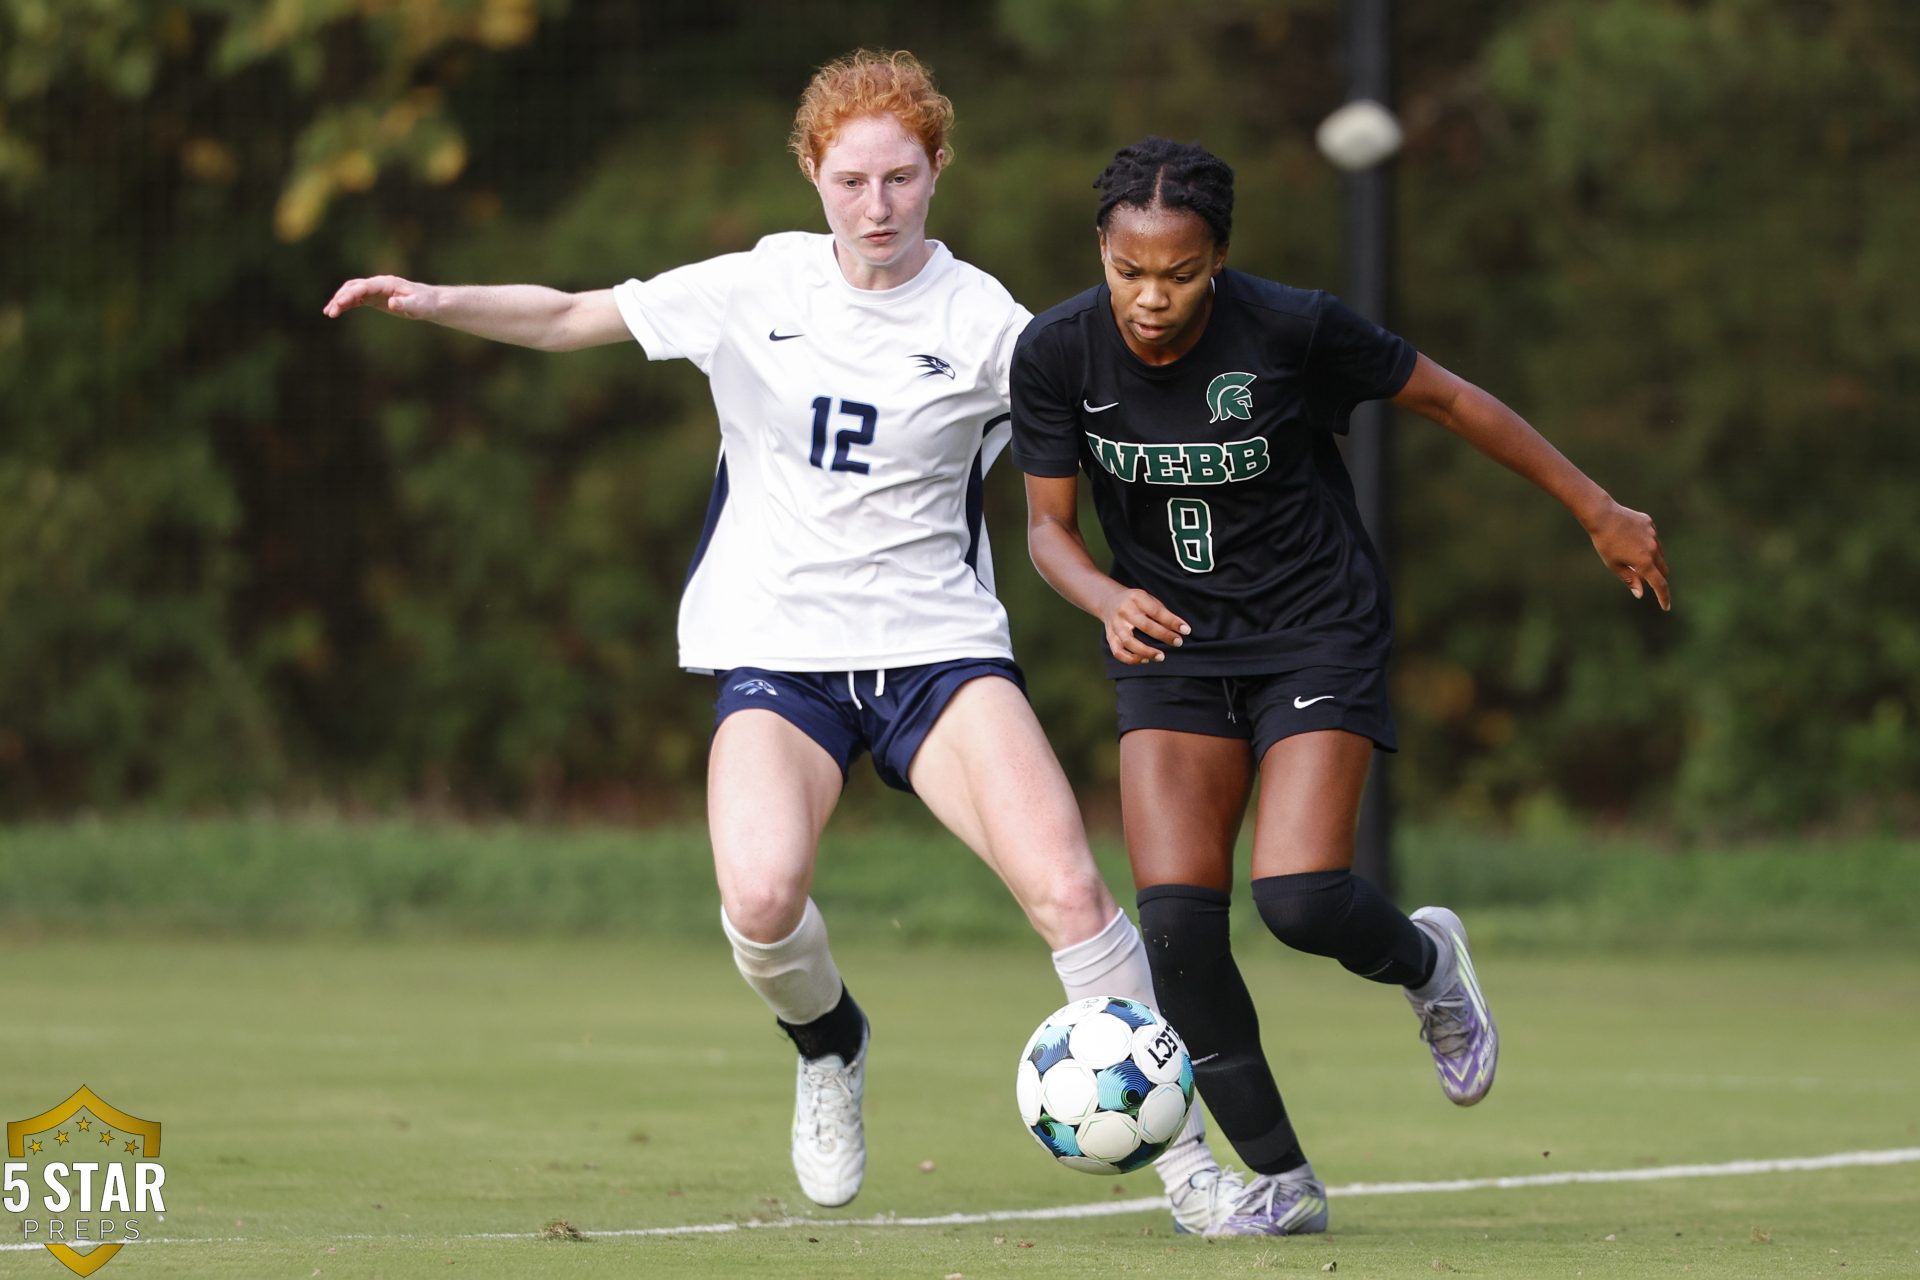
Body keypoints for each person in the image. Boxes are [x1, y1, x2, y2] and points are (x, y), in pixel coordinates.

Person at [323, 57, 1249, 1230]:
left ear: (936, 173)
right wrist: (438, 298)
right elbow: (569, 315)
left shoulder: (990, 325)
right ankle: (831, 1045)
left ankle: (1191, 1166)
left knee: (1069, 888)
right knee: (761, 896)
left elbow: (1121, 426)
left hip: (937, 652)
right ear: (812, 172)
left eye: (902, 177)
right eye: (852, 178)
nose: (878, 205)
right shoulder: (752, 284)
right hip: (779, 649)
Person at [1009, 136, 1670, 1236]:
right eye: (1130, 271)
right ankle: (1280, 1180)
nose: (1152, 298)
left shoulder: (1293, 327)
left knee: (1303, 898)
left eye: (1178, 272)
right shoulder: (1057, 352)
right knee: (1178, 936)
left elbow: (1455, 403)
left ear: (1219, 258)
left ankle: (1429, 961)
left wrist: (1597, 507)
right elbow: (1045, 529)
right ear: (1102, 253)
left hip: (1315, 630)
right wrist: (1102, 599)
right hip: (1171, 650)